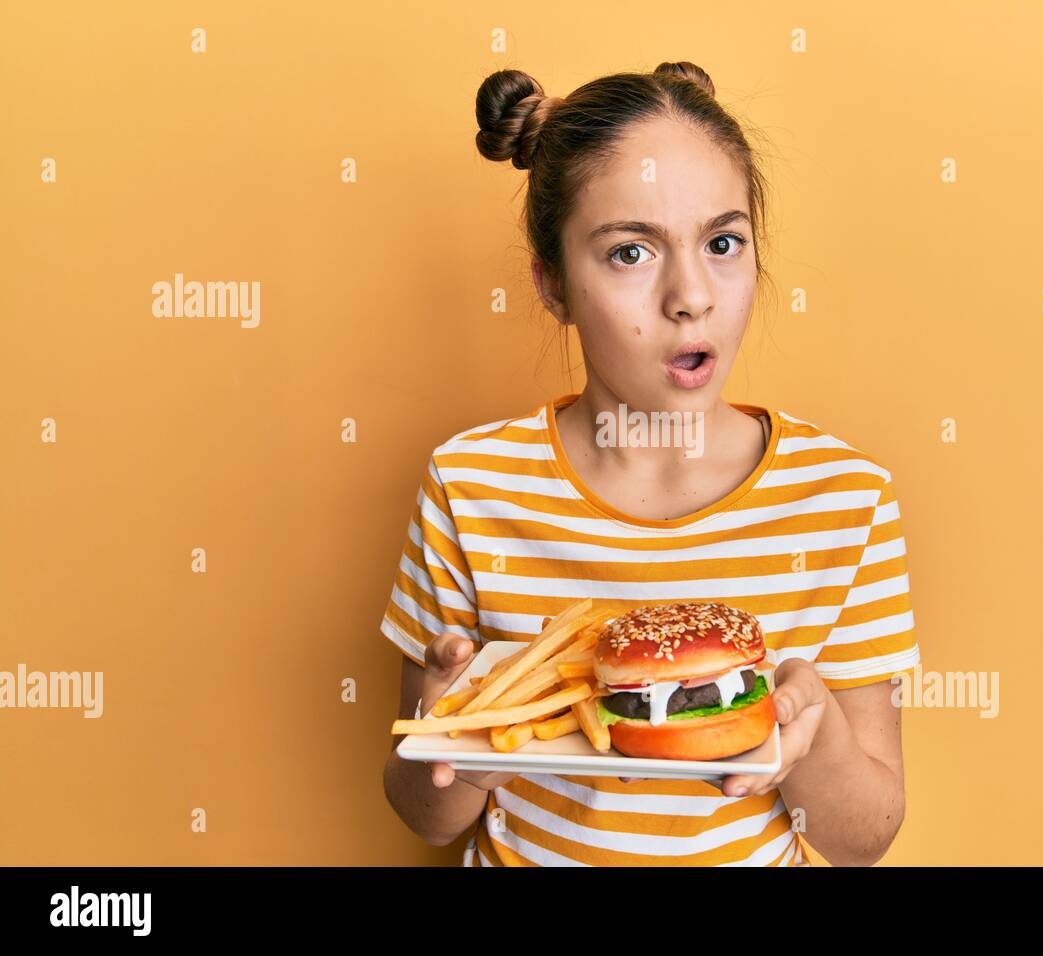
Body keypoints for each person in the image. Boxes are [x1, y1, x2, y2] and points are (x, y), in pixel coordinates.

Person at [380, 62, 919, 866]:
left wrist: (818, 735)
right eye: (631, 252)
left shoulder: (847, 501)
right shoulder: (471, 484)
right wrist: (464, 738)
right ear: (552, 285)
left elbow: (863, 841)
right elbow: (426, 817)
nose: (690, 296)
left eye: (723, 242)